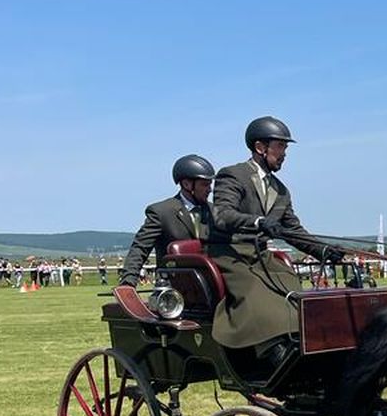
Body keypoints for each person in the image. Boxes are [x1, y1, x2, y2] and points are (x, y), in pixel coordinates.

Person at [209, 116, 342, 371]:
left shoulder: (281, 190)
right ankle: (271, 353)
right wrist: (258, 222)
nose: (284, 154)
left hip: (262, 257)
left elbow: (293, 231)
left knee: (292, 288)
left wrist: (323, 250)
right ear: (260, 147)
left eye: (285, 148)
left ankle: (299, 347)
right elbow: (222, 215)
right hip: (230, 254)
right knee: (259, 295)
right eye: (280, 147)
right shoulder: (232, 175)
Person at [120, 154, 216, 287]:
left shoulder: (216, 212)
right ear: (187, 184)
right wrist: (128, 282)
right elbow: (140, 248)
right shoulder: (161, 212)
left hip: (212, 284)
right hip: (174, 287)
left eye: (210, 184)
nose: (210, 189)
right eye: (205, 184)